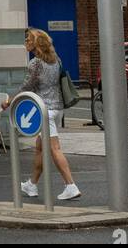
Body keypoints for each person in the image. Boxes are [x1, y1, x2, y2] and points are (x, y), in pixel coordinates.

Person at [18, 28, 81, 201]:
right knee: (40, 147)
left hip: (44, 111)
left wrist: (10, 101)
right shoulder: (56, 60)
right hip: (57, 108)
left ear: (35, 44)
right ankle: (32, 184)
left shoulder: (35, 63)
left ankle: (71, 185)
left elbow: (26, 87)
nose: (25, 42)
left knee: (54, 148)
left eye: (28, 40)